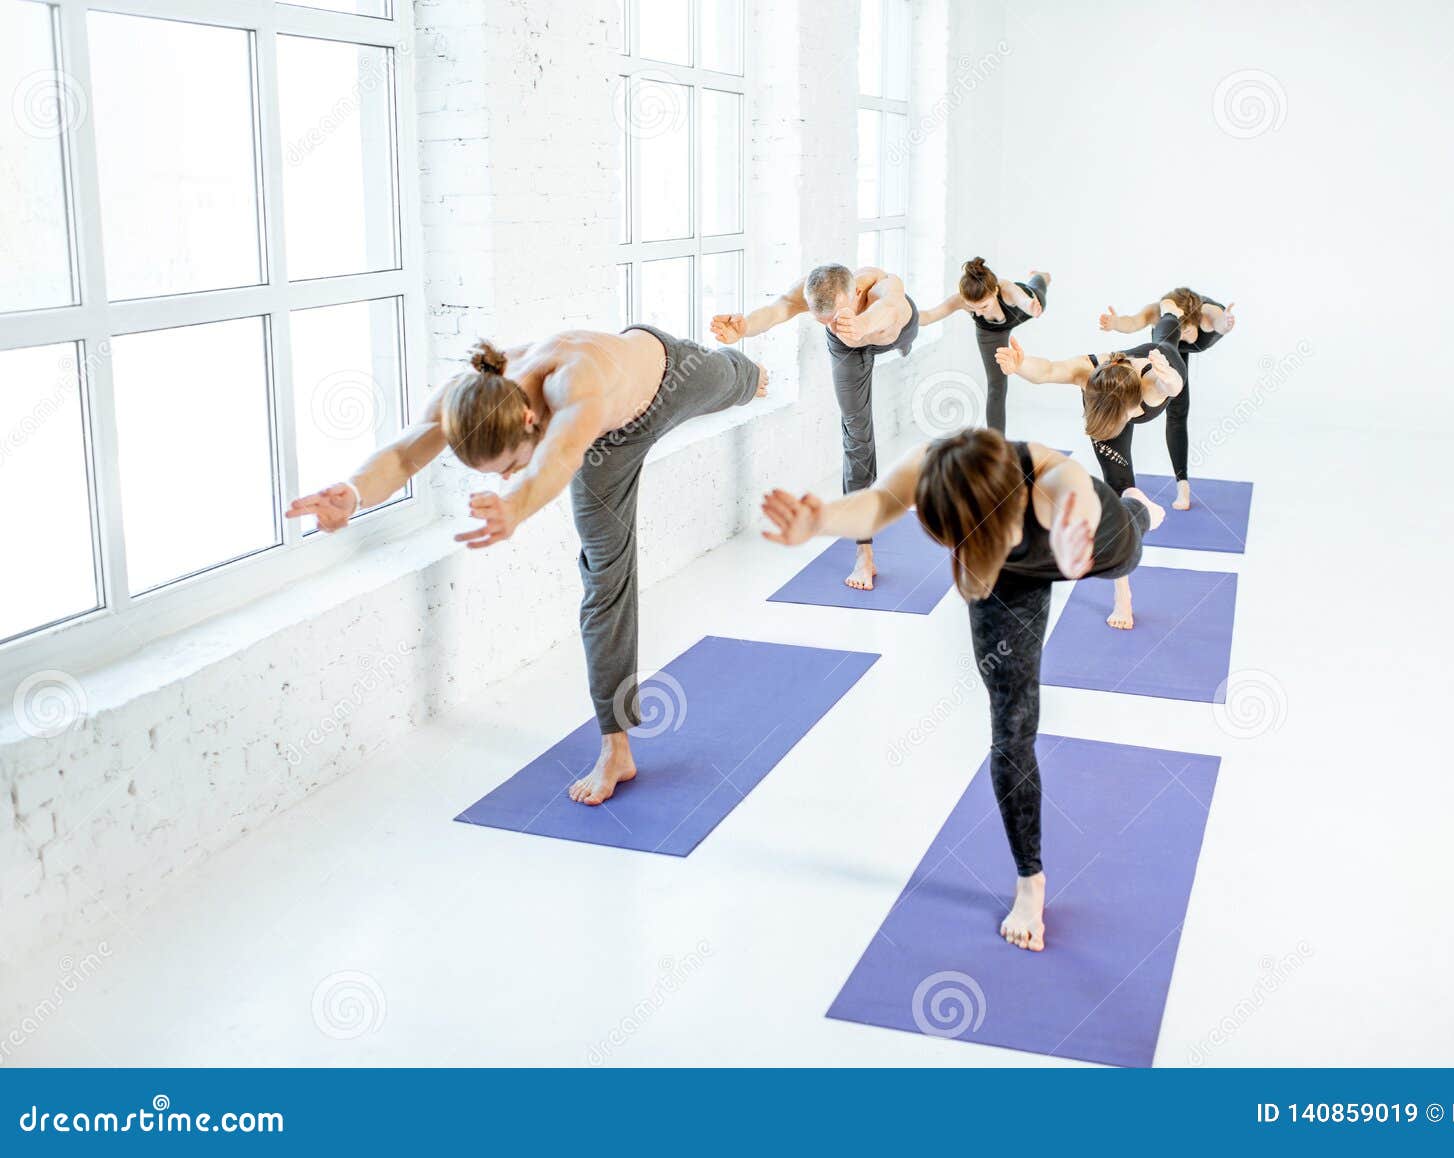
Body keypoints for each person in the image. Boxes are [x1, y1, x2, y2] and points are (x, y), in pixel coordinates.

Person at [286, 326, 767, 806]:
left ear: (529, 418)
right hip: (603, 442)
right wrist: (353, 493)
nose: (508, 477)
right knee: (604, 577)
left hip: (664, 383)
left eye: (508, 466)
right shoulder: (468, 397)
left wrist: (515, 507)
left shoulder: (576, 380)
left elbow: (556, 461)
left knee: (737, 380)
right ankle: (616, 749)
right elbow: (404, 454)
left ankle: (754, 372)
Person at [761, 428, 1164, 950]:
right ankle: (1030, 879)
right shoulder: (935, 466)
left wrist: (1076, 524)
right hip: (1006, 569)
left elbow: (1072, 485)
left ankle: (1141, 507)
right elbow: (881, 503)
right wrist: (820, 520)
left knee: (1134, 538)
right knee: (1012, 727)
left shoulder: (1043, 476)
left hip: (1088, 541)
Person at [710, 263, 917, 591]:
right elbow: (779, 308)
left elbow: (890, 309)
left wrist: (860, 324)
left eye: (837, 318)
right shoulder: (816, 291)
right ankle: (863, 553)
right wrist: (744, 326)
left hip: (893, 330)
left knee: (902, 337)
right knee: (856, 434)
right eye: (825, 322)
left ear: (855, 293)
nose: (832, 326)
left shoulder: (882, 287)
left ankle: (904, 345)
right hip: (849, 349)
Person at [994, 318, 1186, 627]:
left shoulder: (1152, 387)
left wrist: (1171, 377)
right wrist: (1020, 365)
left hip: (1165, 365)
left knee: (1168, 329)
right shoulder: (1088, 372)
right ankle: (1123, 595)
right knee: (1118, 494)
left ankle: (1169, 316)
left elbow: (1173, 386)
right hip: (1117, 391)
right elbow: (1047, 371)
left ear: (1133, 412)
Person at [1098, 289, 1236, 509]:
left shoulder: (1207, 314)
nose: (1181, 336)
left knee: (1179, 414)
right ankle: (1183, 487)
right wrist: (1115, 323)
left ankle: (1182, 485)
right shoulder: (1159, 313)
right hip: (1168, 352)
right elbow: (1133, 322)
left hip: (1199, 326)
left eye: (1185, 331)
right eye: (1177, 331)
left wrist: (1226, 322)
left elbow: (1220, 323)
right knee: (1176, 411)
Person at [917, 257, 1050, 432]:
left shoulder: (1006, 288)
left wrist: (1031, 306)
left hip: (1024, 311)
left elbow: (1023, 301)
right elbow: (929, 316)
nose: (978, 313)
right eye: (972, 308)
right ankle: (996, 443)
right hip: (990, 331)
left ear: (995, 291)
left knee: (1039, 284)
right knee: (996, 386)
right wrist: (906, 316)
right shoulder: (960, 300)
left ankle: (1039, 275)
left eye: (984, 307)